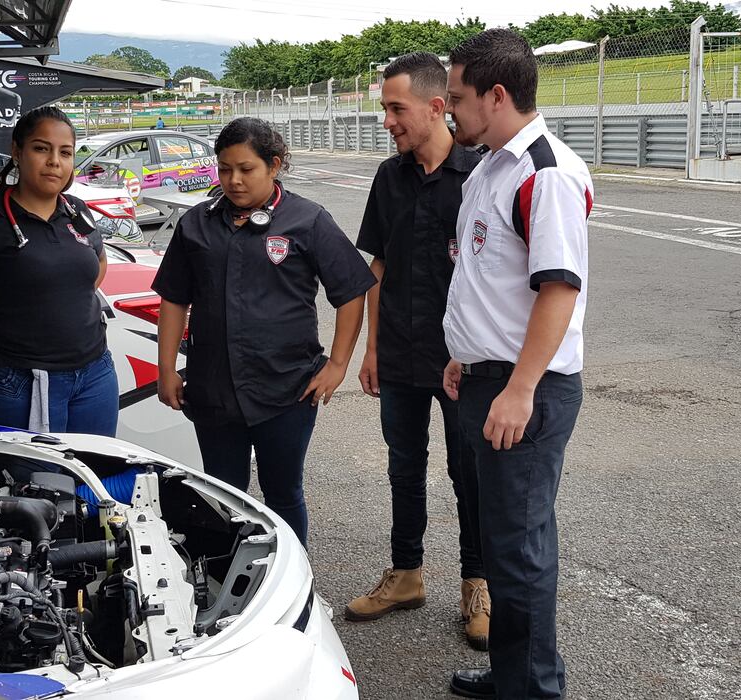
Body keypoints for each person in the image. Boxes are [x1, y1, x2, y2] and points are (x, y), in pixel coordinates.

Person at [441, 29, 593, 700]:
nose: (450, 109)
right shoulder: (494, 165)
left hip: (523, 390)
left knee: (519, 548)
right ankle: (513, 675)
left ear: (496, 95)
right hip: (487, 379)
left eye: (457, 97)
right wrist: (464, 357)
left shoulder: (545, 172)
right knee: (507, 541)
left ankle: (531, 689)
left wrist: (519, 386)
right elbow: (487, 276)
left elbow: (559, 288)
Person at [152, 117, 375, 547]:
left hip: (287, 390)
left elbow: (351, 291)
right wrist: (167, 369)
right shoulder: (197, 224)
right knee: (220, 496)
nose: (233, 180)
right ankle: (222, 590)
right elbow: (174, 299)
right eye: (224, 169)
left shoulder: (307, 220)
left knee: (283, 493)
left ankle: (293, 587)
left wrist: (338, 364)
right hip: (212, 389)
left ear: (274, 166)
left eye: (246, 169)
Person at [344, 51, 490, 651]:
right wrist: (372, 349)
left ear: (436, 108)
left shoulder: (480, 174)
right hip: (400, 352)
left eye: (395, 108)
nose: (387, 121)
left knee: (469, 473)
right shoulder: (388, 177)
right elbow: (377, 266)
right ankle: (406, 574)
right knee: (404, 467)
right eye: (384, 108)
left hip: (464, 357)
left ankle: (477, 584)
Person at [0, 106, 119, 445]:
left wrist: (61, 298)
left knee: (97, 478)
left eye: (65, 152)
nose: (54, 161)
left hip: (95, 374)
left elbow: (97, 263)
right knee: (37, 491)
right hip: (20, 381)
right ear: (17, 151)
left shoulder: (77, 210)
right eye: (41, 148)